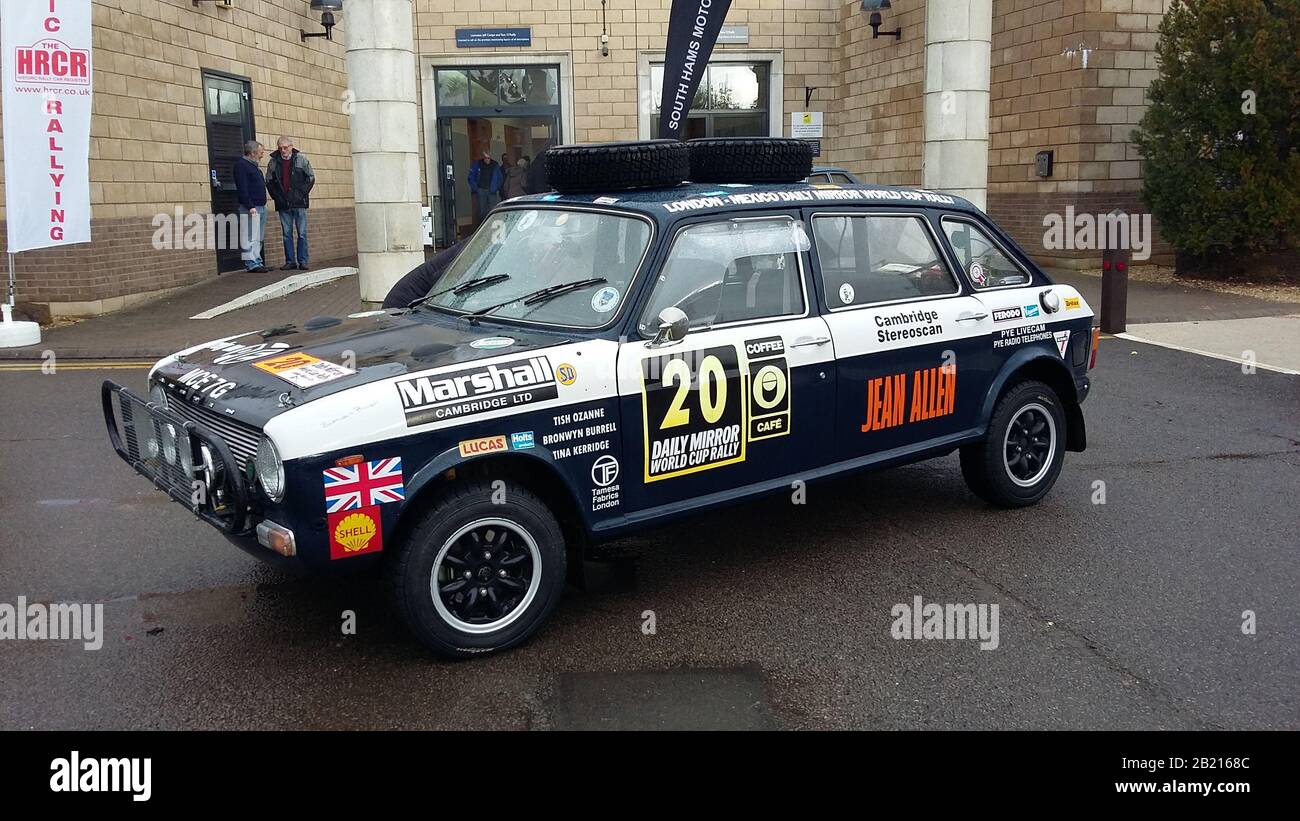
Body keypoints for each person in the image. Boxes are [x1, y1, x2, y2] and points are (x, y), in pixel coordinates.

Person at [266, 136, 315, 270]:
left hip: (299, 202)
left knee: (302, 233)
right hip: (283, 203)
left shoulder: (301, 159)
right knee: (287, 233)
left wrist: (300, 194)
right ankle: (290, 261)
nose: (283, 150)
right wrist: (277, 197)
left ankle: (303, 261)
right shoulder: (273, 162)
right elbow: (269, 181)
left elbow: (310, 178)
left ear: (291, 147)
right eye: (280, 148)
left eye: (285, 147)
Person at [382, 240, 467, 309]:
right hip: (402, 306)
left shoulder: (467, 248)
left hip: (412, 303)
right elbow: (445, 288)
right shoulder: (464, 252)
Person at [233, 141, 270, 273]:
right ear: (253, 153)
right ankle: (251, 264)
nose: (261, 155)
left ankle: (257, 261)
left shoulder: (254, 166)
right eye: (260, 153)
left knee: (258, 237)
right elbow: (242, 188)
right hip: (251, 207)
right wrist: (250, 206)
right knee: (250, 236)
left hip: (261, 206)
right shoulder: (241, 166)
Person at [467, 150, 502, 225]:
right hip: (481, 190)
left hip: (492, 191)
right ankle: (482, 226)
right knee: (481, 211)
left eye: (488, 158)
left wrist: (496, 188)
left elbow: (500, 178)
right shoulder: (477, 164)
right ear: (483, 157)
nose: (487, 159)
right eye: (485, 158)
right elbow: (471, 177)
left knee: (492, 210)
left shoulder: (495, 165)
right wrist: (476, 188)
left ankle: (491, 225)